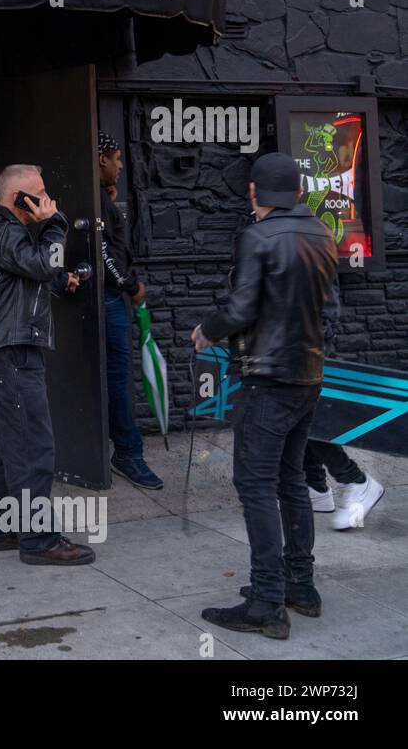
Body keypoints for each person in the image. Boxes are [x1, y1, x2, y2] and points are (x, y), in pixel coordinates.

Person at [192, 152, 338, 639]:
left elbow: (241, 307)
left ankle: (267, 601)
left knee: (255, 484)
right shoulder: (321, 233)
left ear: (254, 193)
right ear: (297, 192)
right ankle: (301, 585)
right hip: (308, 376)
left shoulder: (256, 236)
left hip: (267, 379)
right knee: (291, 480)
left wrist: (206, 331)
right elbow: (328, 309)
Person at [0, 164, 92, 566]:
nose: (47, 199)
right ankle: (39, 540)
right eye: (38, 193)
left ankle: (0, 526)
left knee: (8, 446)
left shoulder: (9, 234)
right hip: (11, 352)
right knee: (32, 446)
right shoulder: (5, 231)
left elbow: (29, 273)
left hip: (4, 348)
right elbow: (40, 263)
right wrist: (55, 223)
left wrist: (61, 281)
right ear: (17, 198)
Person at [97, 133, 163, 490]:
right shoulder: (95, 200)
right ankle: (127, 452)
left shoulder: (100, 198)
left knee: (117, 378)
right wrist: (130, 284)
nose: (121, 166)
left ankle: (124, 449)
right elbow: (105, 253)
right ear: (100, 160)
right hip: (110, 298)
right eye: (116, 158)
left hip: (110, 297)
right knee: (119, 379)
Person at [302, 277, 386, 529]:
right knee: (299, 413)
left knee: (304, 412)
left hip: (302, 342)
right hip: (290, 340)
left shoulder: (308, 240)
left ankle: (356, 481)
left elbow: (323, 299)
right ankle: (314, 485)